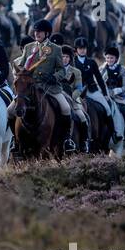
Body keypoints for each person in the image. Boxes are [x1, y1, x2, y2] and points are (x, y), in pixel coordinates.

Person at [14, 19, 76, 151]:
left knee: (65, 108)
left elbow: (62, 70)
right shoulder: (28, 47)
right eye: (36, 31)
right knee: (9, 111)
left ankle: (67, 140)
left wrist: (54, 77)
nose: (37, 34)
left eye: (40, 32)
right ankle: (15, 141)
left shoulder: (56, 49)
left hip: (50, 87)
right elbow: (20, 67)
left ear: (47, 33)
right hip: (29, 88)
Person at [56, 44, 93, 152]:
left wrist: (73, 96)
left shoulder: (76, 72)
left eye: (67, 57)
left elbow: (79, 88)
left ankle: (83, 142)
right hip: (56, 96)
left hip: (72, 99)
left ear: (70, 58)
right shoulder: (54, 70)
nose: (65, 59)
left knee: (82, 117)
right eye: (62, 56)